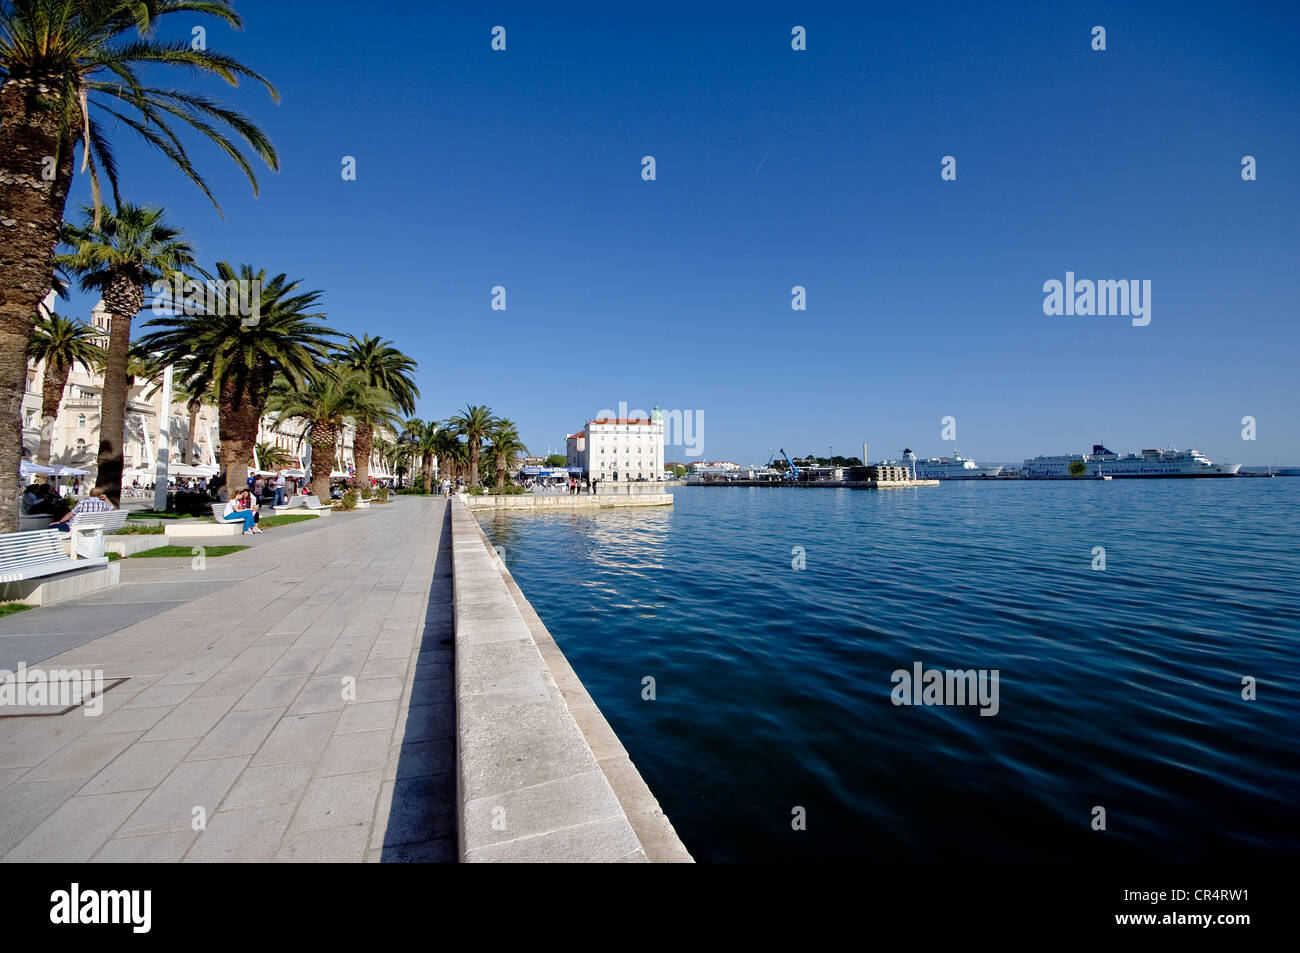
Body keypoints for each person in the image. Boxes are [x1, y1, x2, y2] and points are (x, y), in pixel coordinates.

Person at [49, 485, 113, 531]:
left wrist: (60, 521)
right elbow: (112, 508)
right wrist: (106, 499)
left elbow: (71, 514)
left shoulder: (82, 503)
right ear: (101, 495)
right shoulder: (104, 504)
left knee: (51, 527)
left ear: (90, 494)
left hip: (75, 528)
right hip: (94, 528)